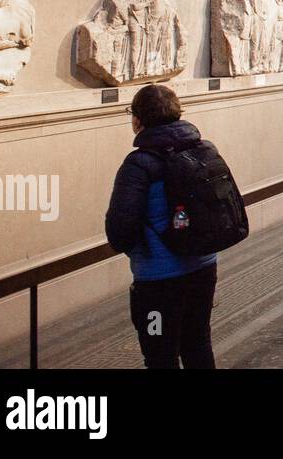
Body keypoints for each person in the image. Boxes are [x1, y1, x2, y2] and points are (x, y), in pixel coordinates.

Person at [105, 84, 224, 369]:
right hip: (203, 268)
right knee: (198, 344)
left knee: (160, 355)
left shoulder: (138, 165)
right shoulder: (203, 149)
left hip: (158, 282)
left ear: (137, 120)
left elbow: (120, 231)